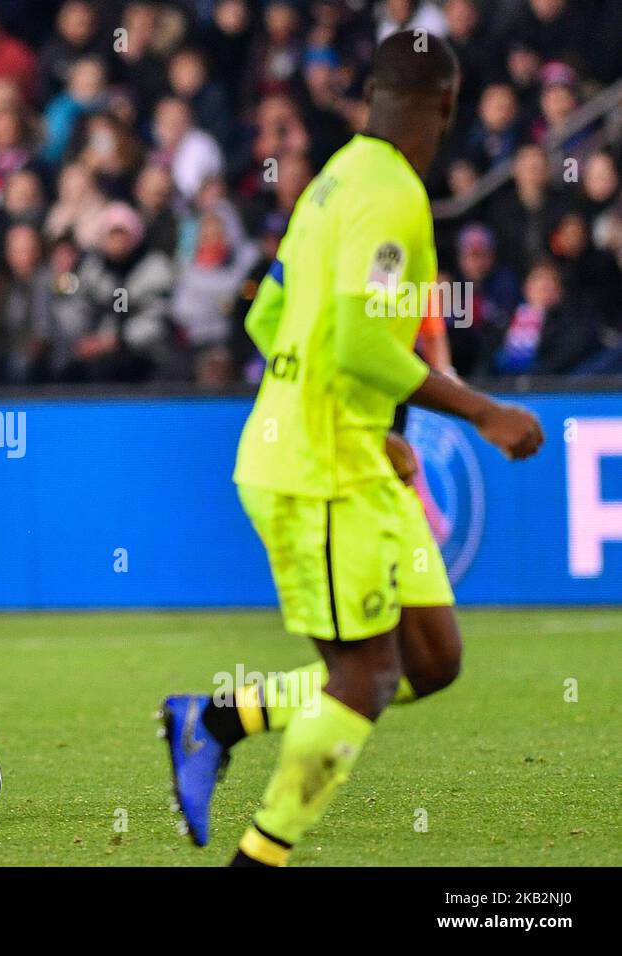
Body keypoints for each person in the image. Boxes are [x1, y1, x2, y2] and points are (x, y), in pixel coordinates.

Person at [161, 32, 545, 866]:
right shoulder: (398, 195)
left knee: (433, 658)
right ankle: (259, 857)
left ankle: (218, 718)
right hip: (320, 465)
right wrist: (485, 412)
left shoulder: (329, 184)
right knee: (367, 676)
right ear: (446, 103)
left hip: (347, 452)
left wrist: (369, 419)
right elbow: (361, 349)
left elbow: (266, 317)